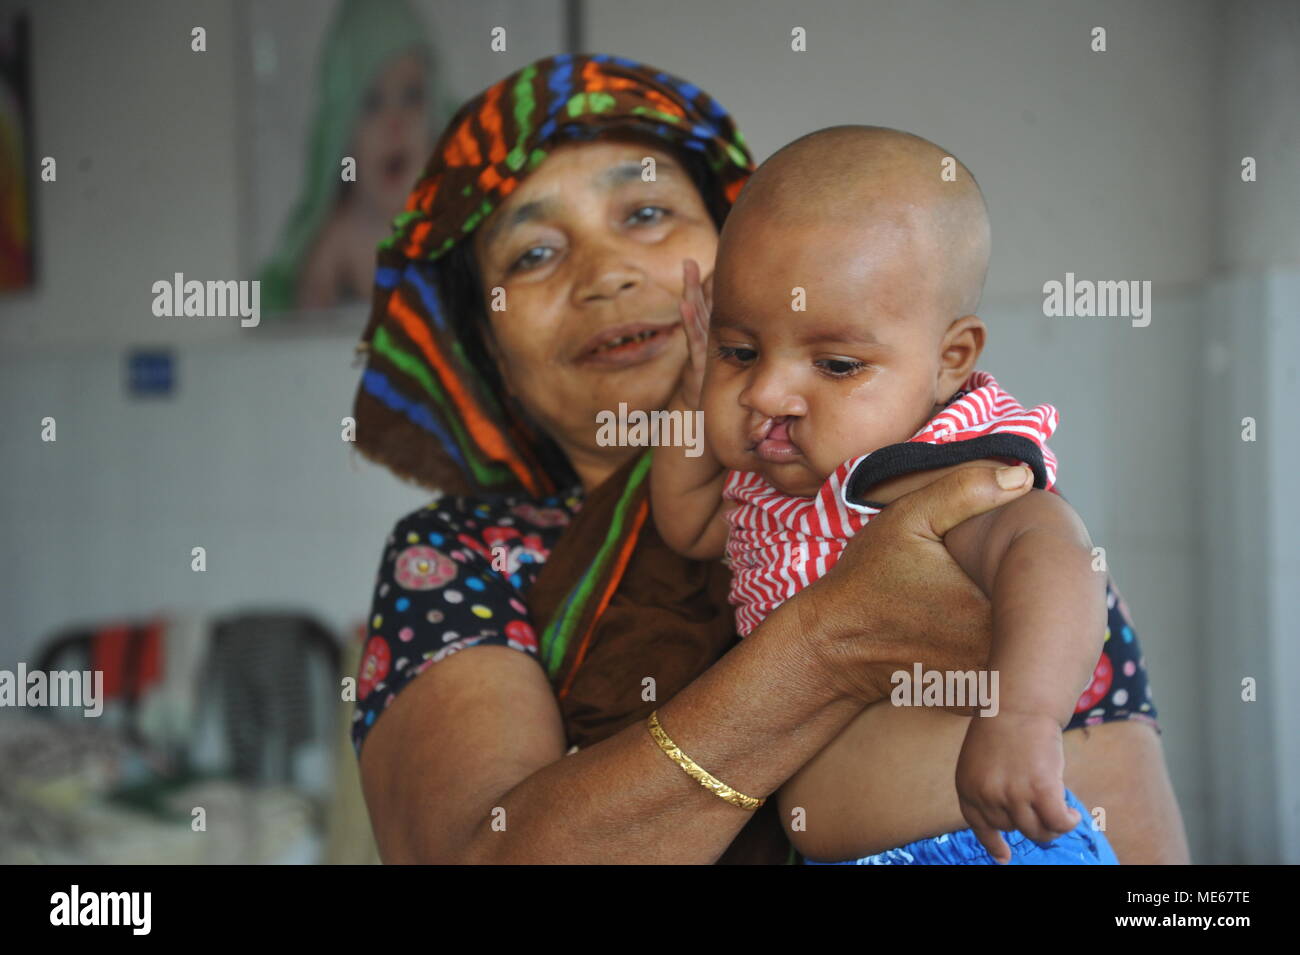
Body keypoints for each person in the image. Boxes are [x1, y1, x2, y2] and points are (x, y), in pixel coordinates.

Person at [348, 53, 1189, 864]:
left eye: (643, 215)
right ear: (487, 344)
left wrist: (1019, 716)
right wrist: (822, 647)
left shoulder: (954, 485)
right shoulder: (464, 558)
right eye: (532, 254)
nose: (603, 274)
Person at [653, 124, 1130, 864]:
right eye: (740, 351)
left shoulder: (920, 468)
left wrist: (1022, 717)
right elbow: (686, 522)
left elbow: (1054, 551)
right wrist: (694, 388)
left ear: (951, 358)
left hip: (975, 847)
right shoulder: (773, 488)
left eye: (837, 364)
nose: (769, 392)